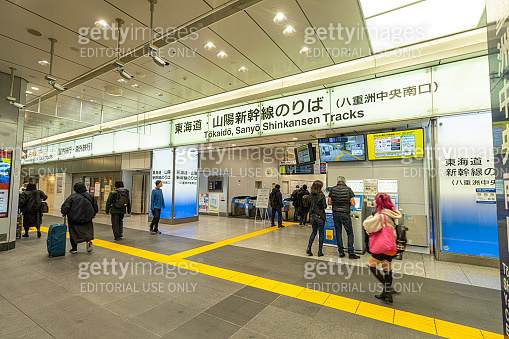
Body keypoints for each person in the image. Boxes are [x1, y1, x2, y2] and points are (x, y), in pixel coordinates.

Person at [363, 193, 402, 304]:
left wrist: (371, 216)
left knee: (371, 265)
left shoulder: (381, 216)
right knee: (387, 268)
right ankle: (386, 295)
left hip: (382, 246)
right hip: (391, 246)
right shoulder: (390, 213)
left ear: (379, 202)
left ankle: (388, 288)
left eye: (375, 200)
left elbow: (367, 225)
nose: (373, 201)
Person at [61, 182, 98, 254]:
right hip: (87, 218)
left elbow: (66, 206)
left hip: (74, 218)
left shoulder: (72, 197)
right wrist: (94, 213)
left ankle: (74, 248)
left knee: (73, 233)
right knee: (87, 231)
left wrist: (64, 212)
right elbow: (95, 206)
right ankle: (88, 242)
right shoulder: (90, 196)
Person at [328, 176, 360, 259]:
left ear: (337, 181)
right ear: (344, 182)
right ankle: (351, 253)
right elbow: (353, 203)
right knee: (349, 232)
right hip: (345, 213)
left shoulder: (333, 189)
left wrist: (337, 204)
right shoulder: (348, 189)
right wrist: (346, 204)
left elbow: (329, 202)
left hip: (335, 213)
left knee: (338, 232)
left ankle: (341, 252)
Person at [306, 180, 327, 257]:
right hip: (320, 216)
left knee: (314, 232)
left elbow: (308, 205)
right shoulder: (321, 195)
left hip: (312, 216)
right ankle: (320, 251)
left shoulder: (310, 195)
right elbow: (324, 206)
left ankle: (309, 248)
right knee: (321, 233)